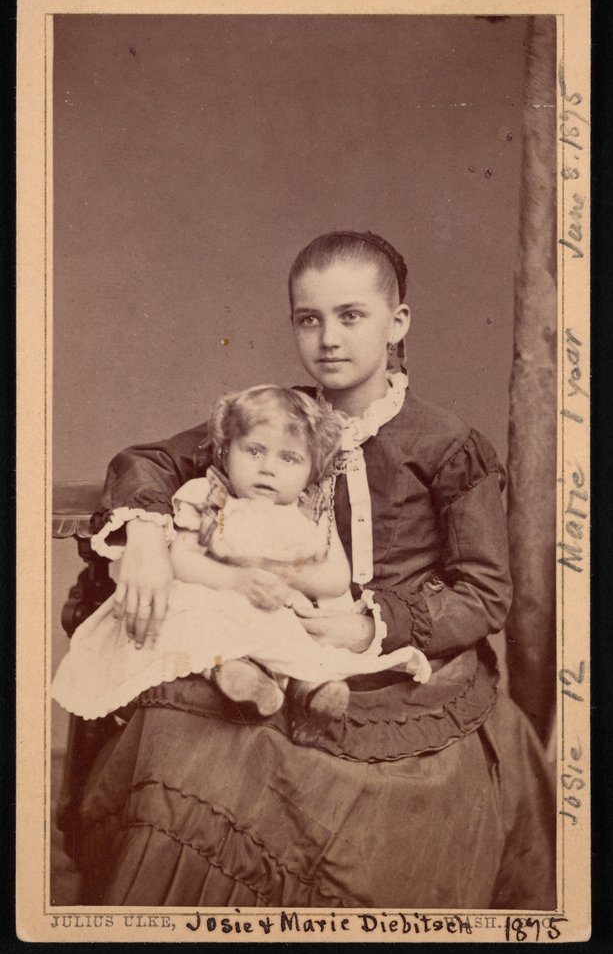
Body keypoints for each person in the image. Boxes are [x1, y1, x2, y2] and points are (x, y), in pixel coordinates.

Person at [76, 230, 555, 908]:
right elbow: (146, 462)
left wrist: (368, 625)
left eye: (351, 316)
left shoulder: (448, 444)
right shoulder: (275, 420)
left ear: (397, 322)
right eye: (309, 319)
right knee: (179, 745)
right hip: (265, 642)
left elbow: (482, 593)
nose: (328, 338)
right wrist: (149, 537)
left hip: (397, 666)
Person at [51, 385, 430, 723]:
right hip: (220, 599)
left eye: (289, 458)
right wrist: (238, 579)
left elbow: (335, 577)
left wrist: (282, 575)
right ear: (225, 452)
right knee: (196, 622)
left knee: (296, 637)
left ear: (312, 470)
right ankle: (232, 672)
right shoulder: (208, 497)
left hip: (281, 609)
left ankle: (309, 686)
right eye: (254, 451)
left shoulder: (310, 513)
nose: (268, 469)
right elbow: (181, 559)